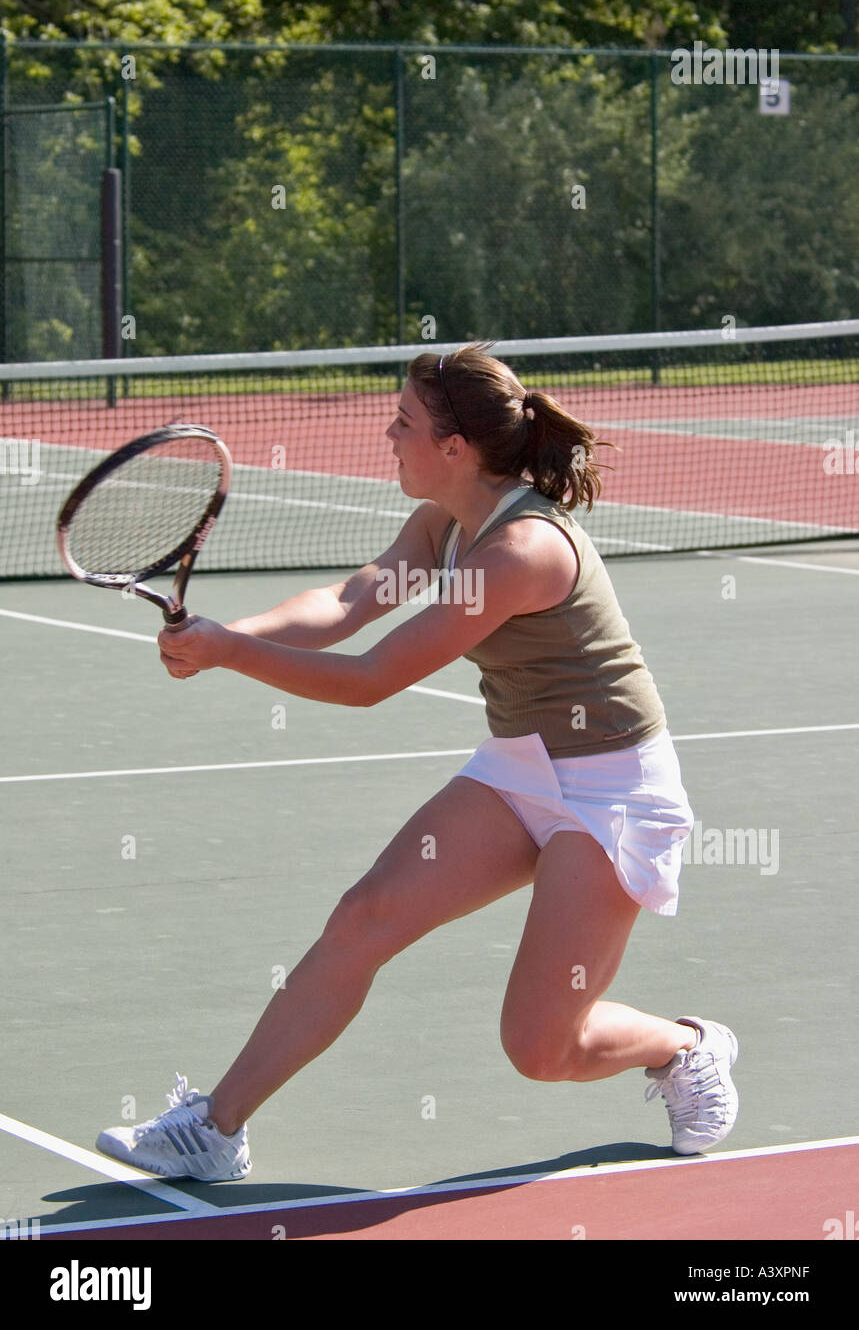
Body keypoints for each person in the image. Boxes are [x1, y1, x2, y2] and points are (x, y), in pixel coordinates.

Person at [96, 343, 738, 1181]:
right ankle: (214, 1129)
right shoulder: (446, 519)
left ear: (454, 448)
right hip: (521, 765)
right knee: (364, 916)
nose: (386, 433)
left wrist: (225, 654)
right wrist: (229, 636)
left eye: (403, 422)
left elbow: (372, 678)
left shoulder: (522, 550)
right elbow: (346, 603)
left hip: (612, 788)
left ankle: (686, 1046)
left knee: (542, 1047)